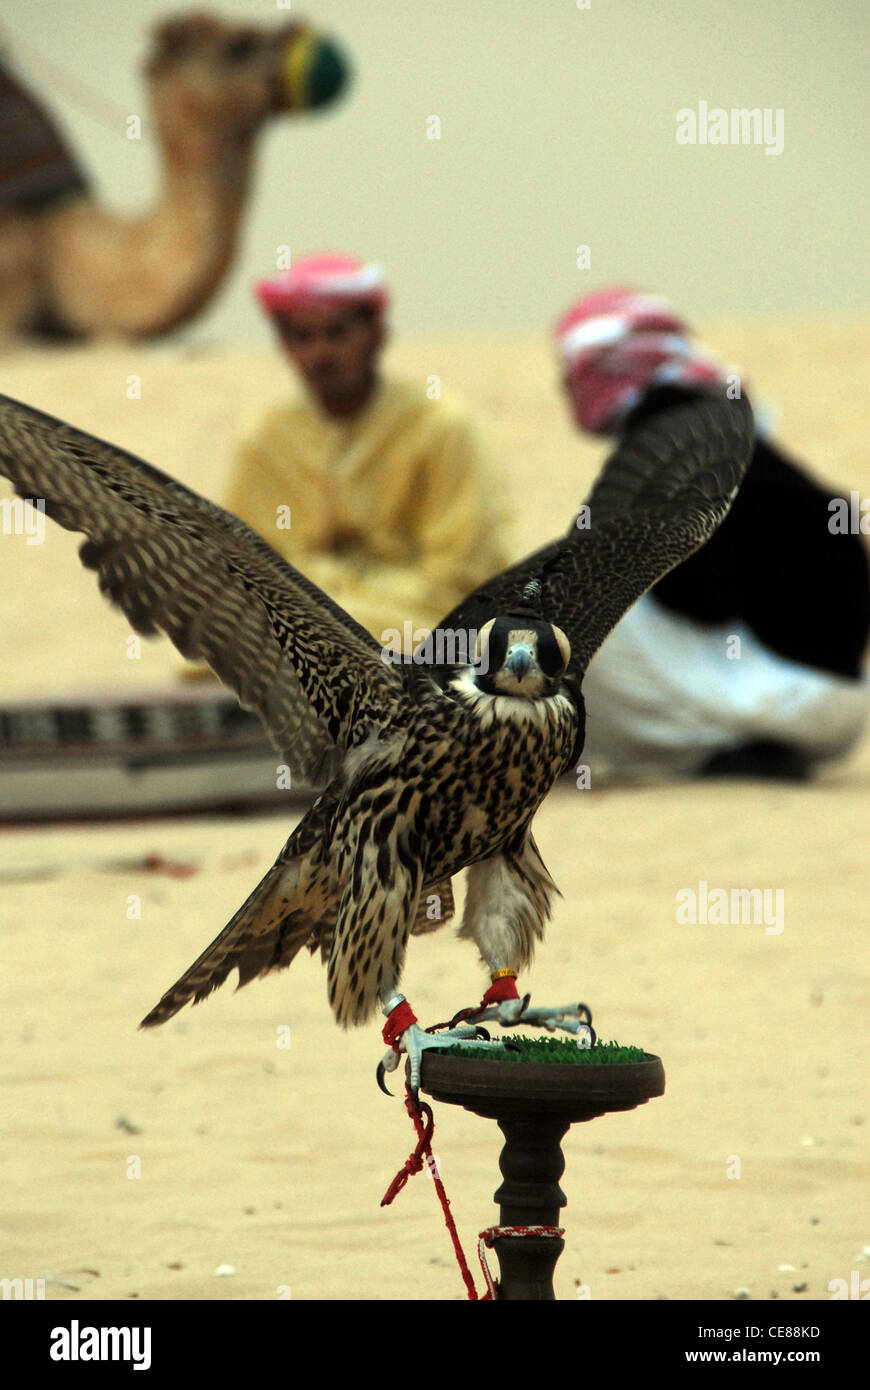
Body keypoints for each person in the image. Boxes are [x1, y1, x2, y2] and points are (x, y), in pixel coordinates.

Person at [554, 287, 870, 780]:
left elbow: (705, 595)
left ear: (606, 368)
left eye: (575, 373)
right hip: (840, 702)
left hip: (784, 695)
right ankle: (743, 747)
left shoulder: (665, 433)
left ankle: (714, 748)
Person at [221, 254, 507, 651]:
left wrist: (338, 598)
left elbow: (458, 576)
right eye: (303, 338)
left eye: (337, 333)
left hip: (424, 624)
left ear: (376, 334)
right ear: (284, 346)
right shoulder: (266, 439)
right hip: (294, 623)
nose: (320, 354)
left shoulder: (439, 428)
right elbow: (243, 570)